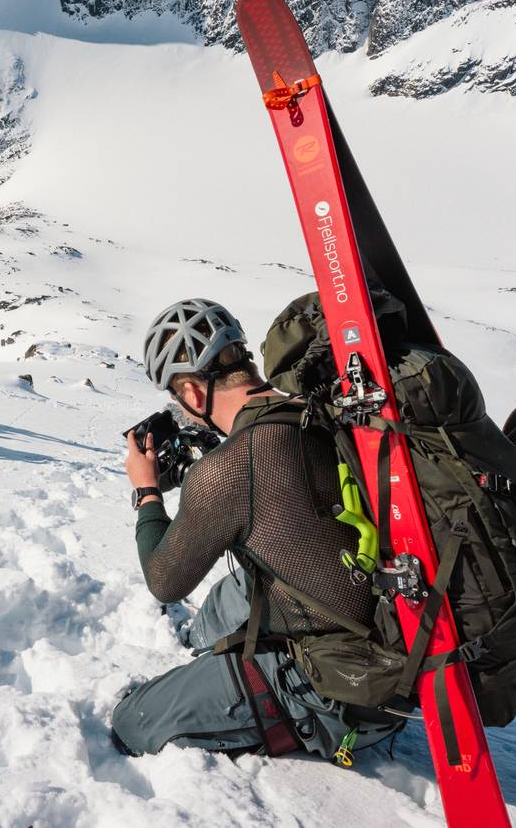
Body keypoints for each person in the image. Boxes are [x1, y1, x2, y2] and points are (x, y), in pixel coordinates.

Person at [109, 298, 401, 761]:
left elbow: (164, 581)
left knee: (132, 722)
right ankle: (203, 649)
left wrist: (147, 491)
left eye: (176, 395)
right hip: (398, 641)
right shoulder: (317, 410)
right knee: (246, 580)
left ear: (193, 391)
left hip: (339, 689)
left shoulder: (230, 469)